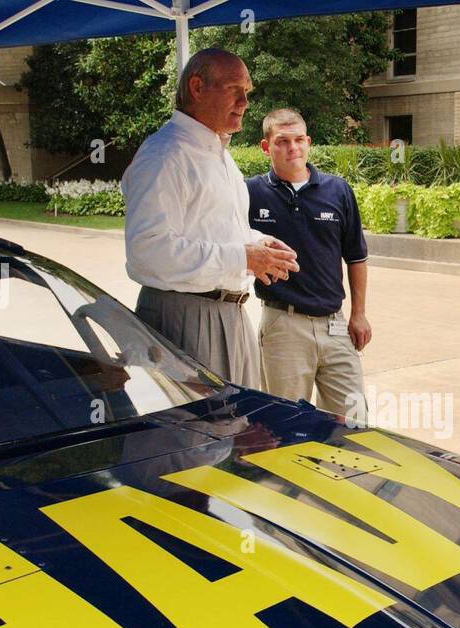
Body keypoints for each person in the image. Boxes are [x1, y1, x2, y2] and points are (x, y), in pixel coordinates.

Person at [121, 47, 298, 388]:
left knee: (236, 433)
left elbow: (210, 228)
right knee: (197, 437)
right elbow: (148, 250)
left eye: (247, 92)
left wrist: (257, 244)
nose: (245, 102)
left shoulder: (218, 155)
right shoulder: (165, 155)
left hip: (228, 316)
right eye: (235, 90)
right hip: (185, 317)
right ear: (197, 88)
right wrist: (243, 256)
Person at [246, 109, 370, 416]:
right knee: (285, 423)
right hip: (283, 324)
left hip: (335, 324)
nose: (293, 148)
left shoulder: (337, 190)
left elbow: (356, 256)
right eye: (283, 141)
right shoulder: (251, 193)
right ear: (266, 147)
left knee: (353, 421)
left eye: (299, 140)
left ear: (308, 142)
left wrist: (359, 314)